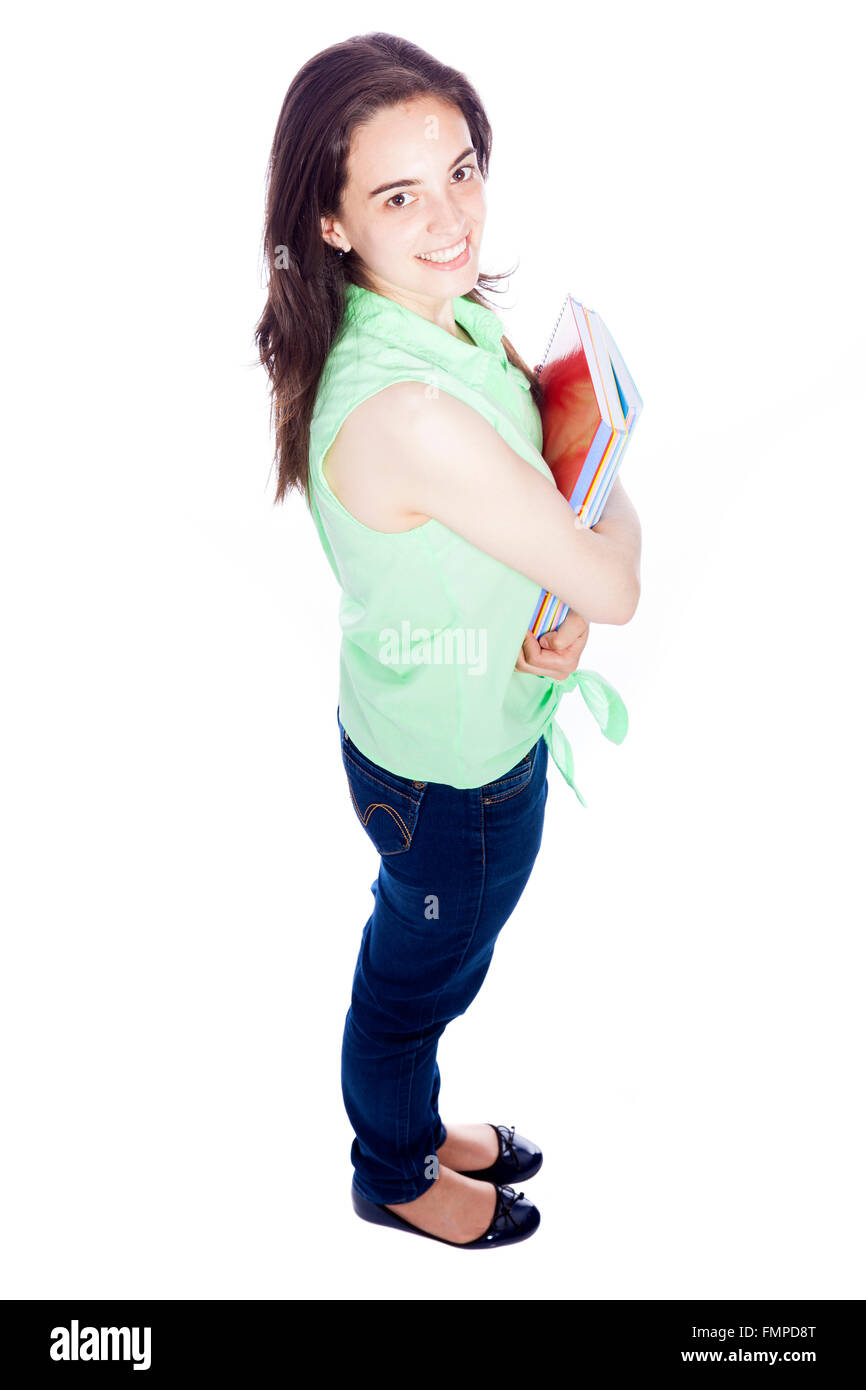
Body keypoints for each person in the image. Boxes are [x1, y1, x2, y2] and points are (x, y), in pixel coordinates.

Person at [254, 33, 642, 1249]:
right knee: (412, 984)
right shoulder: (409, 406)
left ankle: (413, 1117)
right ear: (329, 221)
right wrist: (598, 511)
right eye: (397, 196)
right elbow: (609, 559)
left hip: (439, 728)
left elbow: (544, 506)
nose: (449, 221)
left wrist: (567, 574)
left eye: (461, 173)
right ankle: (393, 1169)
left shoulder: (432, 317)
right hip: (447, 775)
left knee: (438, 966)